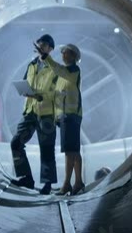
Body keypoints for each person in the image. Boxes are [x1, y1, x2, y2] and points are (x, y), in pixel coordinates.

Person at [10, 34, 60, 193]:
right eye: (39, 43)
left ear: (51, 49)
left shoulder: (55, 68)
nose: (40, 46)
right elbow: (26, 82)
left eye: (44, 45)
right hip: (30, 111)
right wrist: (25, 91)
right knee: (16, 143)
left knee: (47, 149)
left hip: (46, 113)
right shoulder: (31, 65)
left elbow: (60, 91)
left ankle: (47, 185)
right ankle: (26, 178)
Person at [41, 43, 85, 195]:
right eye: (63, 53)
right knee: (75, 151)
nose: (63, 55)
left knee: (69, 152)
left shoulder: (73, 70)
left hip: (71, 115)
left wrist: (47, 58)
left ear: (74, 56)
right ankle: (78, 182)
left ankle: (67, 184)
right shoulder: (64, 75)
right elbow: (59, 96)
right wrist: (57, 117)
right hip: (67, 116)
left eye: (66, 53)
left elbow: (58, 69)